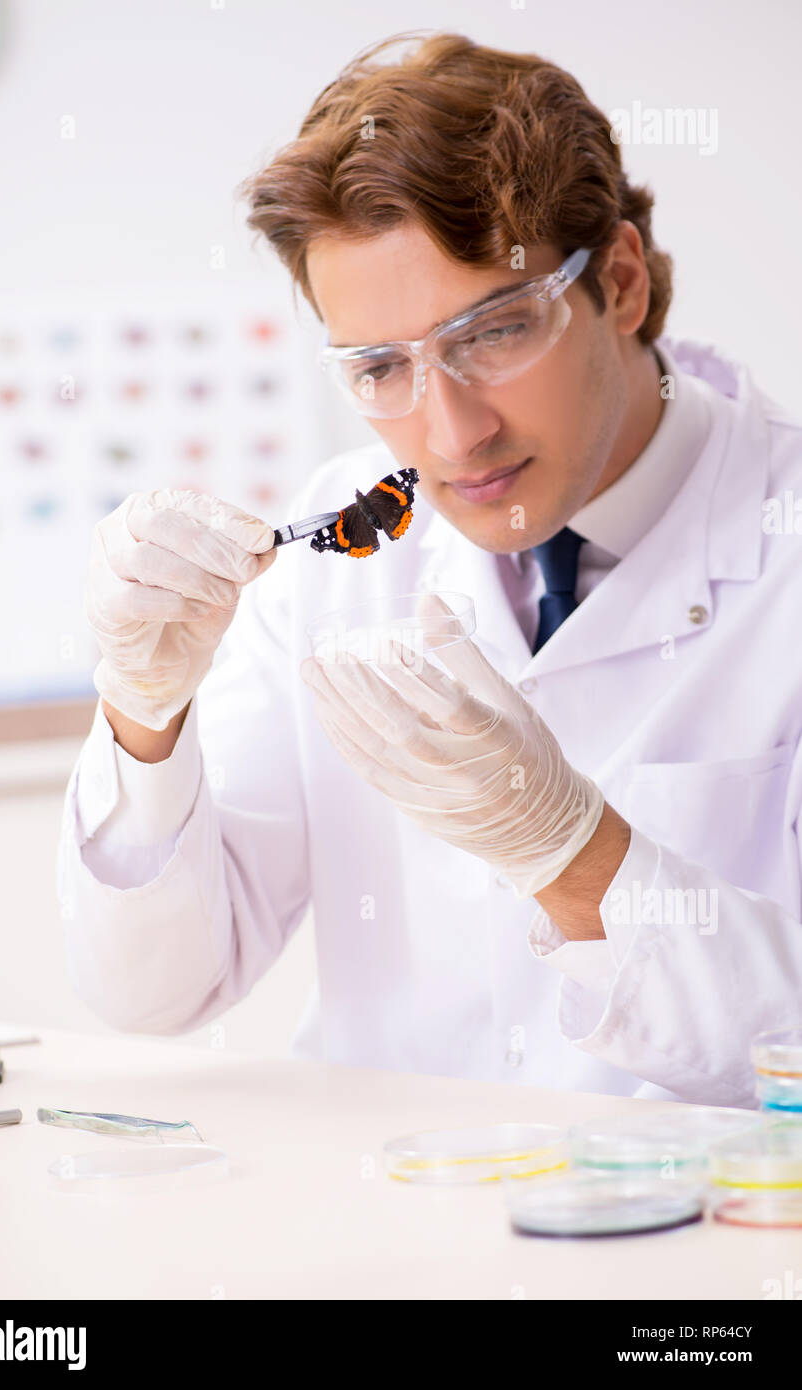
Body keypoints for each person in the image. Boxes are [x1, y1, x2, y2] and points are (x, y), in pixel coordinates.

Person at [57, 32, 802, 1105]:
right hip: (393, 1228)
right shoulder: (336, 558)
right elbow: (157, 992)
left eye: (495, 332)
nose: (449, 431)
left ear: (623, 283)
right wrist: (142, 716)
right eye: (379, 367)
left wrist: (574, 852)